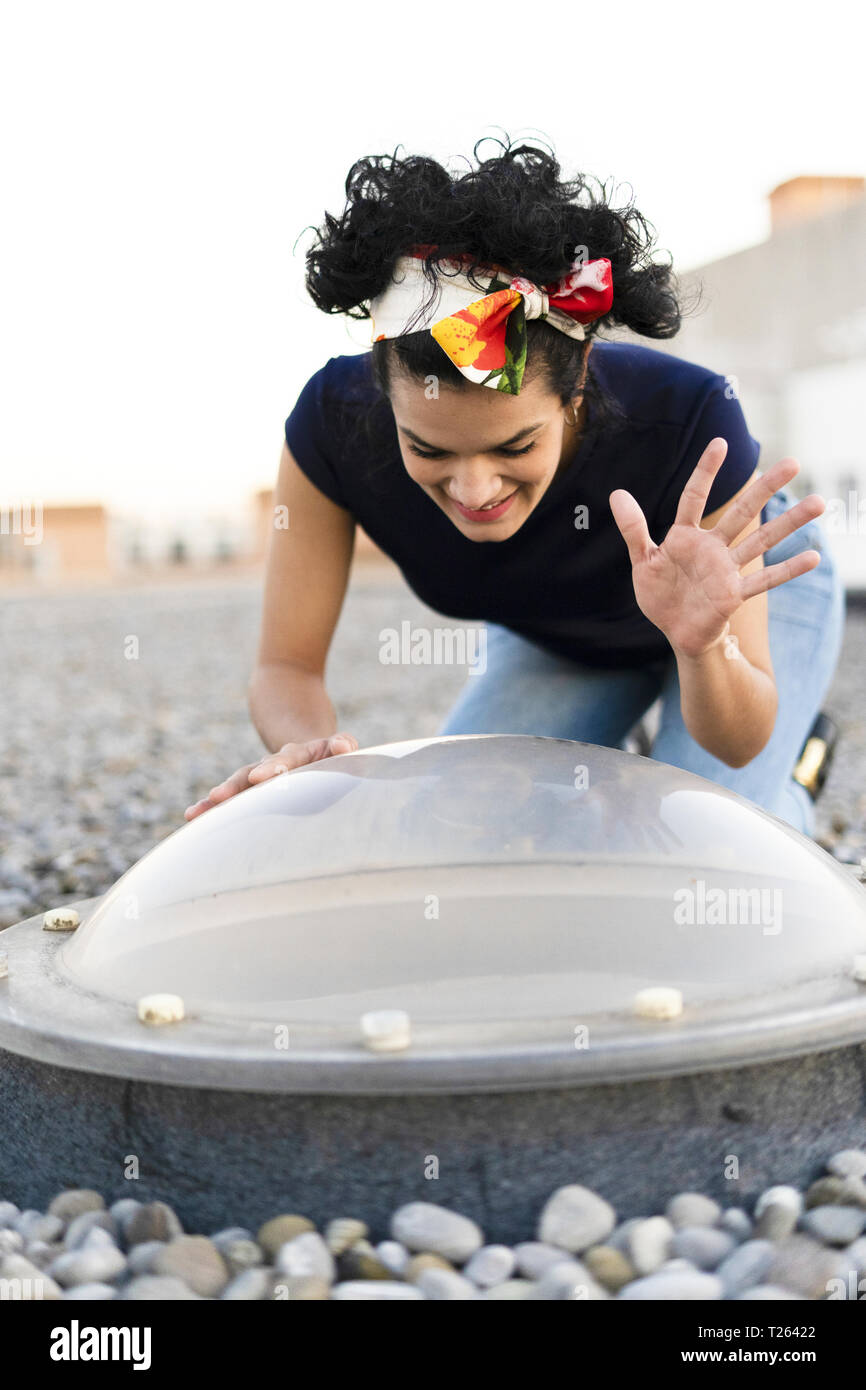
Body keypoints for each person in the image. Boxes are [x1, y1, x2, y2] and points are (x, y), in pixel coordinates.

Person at [185, 139, 844, 836]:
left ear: (578, 382)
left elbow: (737, 739)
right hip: (562, 633)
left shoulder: (691, 422)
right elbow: (286, 667)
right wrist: (308, 757)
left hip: (723, 597)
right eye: (428, 448)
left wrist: (704, 645)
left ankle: (790, 785)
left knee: (702, 844)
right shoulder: (330, 424)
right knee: (453, 828)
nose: (474, 488)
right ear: (379, 392)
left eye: (516, 445)